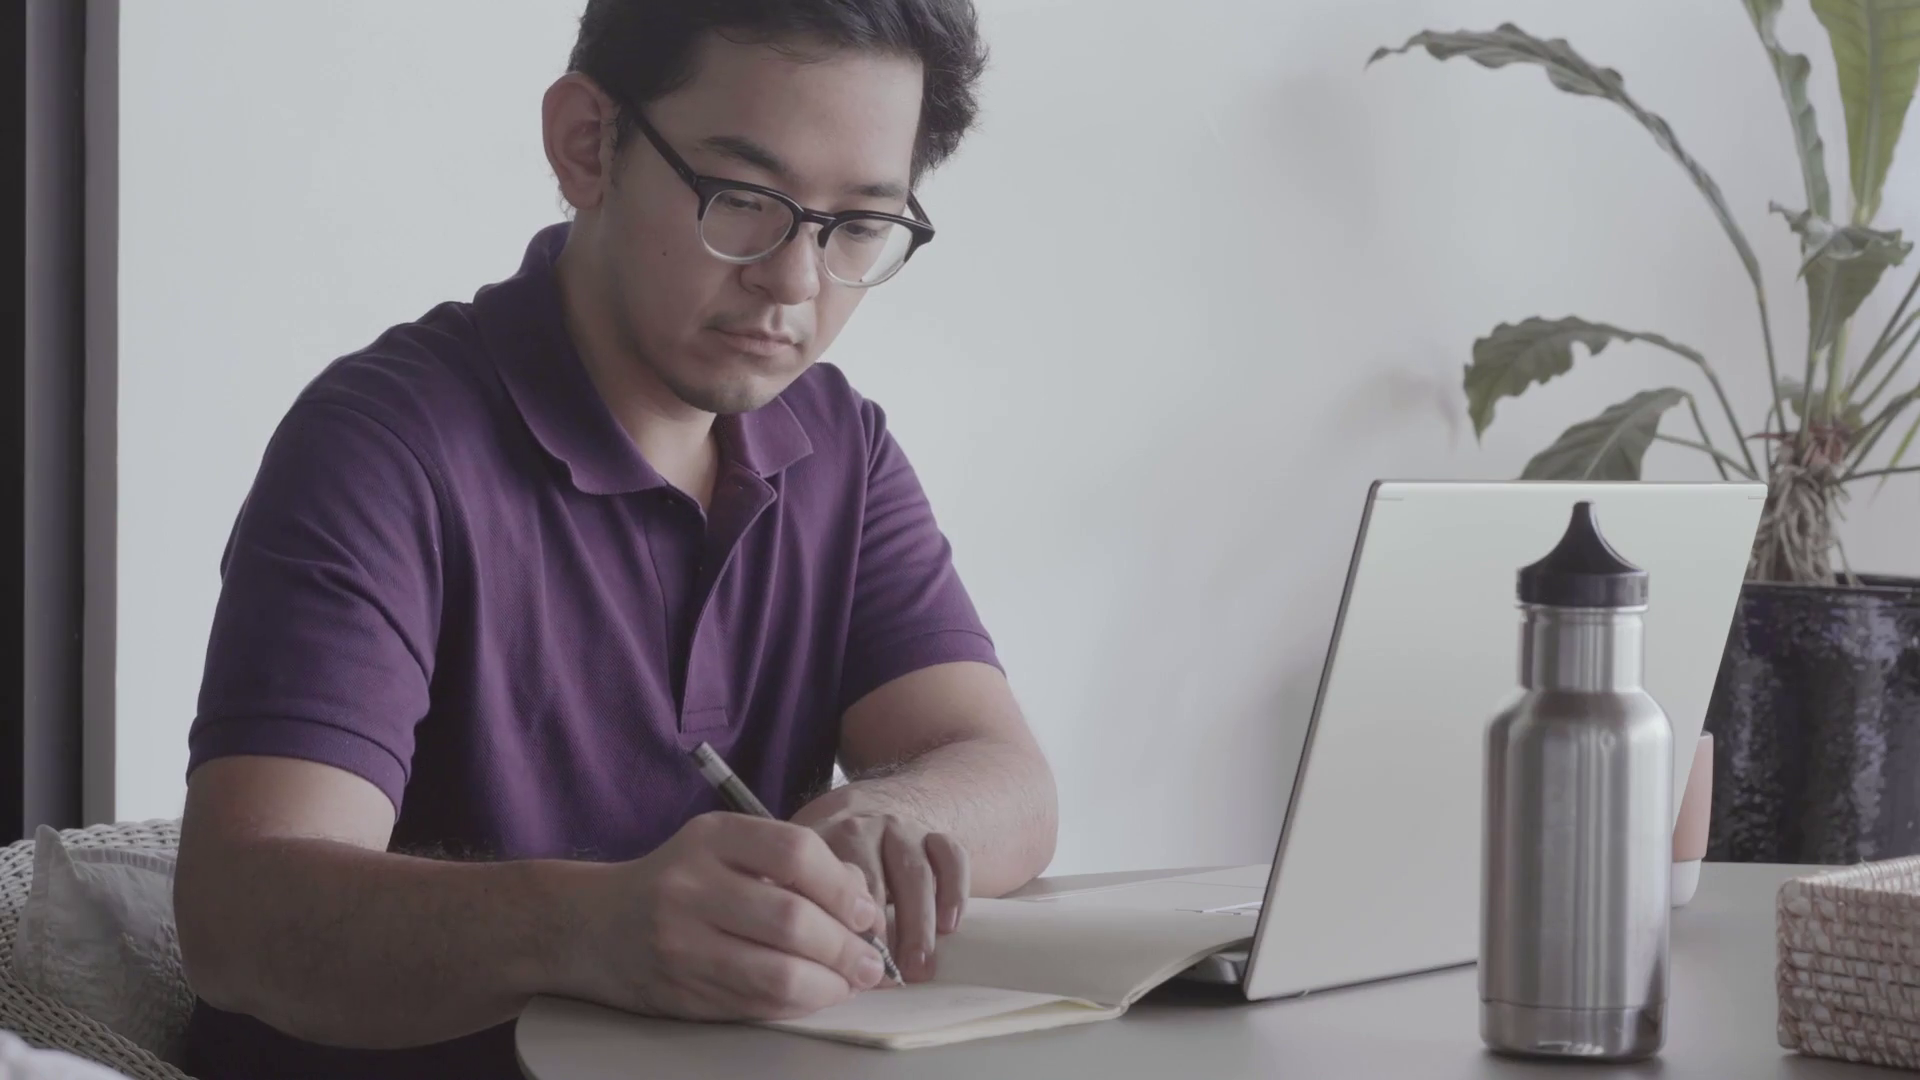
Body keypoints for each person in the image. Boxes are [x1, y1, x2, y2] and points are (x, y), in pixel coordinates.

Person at [168, 2, 1058, 1076]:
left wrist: (886, 814)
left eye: (858, 225)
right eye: (742, 199)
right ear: (588, 144)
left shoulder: (839, 447)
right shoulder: (385, 445)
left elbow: (1007, 777)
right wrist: (585, 927)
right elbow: (242, 918)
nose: (796, 284)